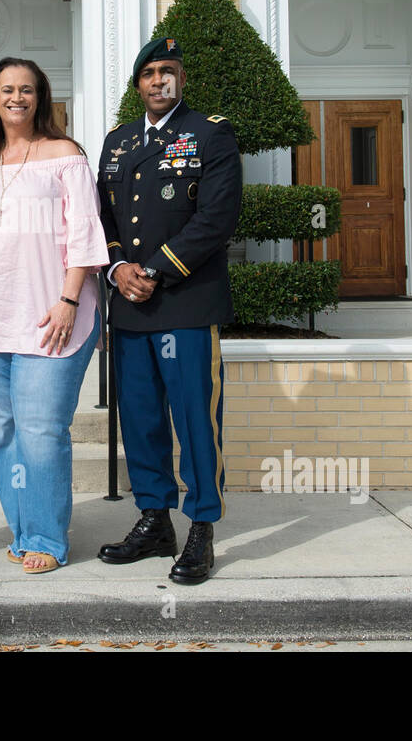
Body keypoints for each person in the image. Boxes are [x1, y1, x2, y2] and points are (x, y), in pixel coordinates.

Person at [0, 57, 108, 574]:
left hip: (50, 318)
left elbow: (85, 232)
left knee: (41, 430)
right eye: (6, 89)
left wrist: (67, 299)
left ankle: (46, 536)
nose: (16, 97)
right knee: (5, 430)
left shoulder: (65, 156)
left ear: (41, 96)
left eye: (26, 89)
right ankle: (22, 528)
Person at [95, 36, 242, 585]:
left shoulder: (210, 134)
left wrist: (153, 269)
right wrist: (116, 270)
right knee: (141, 420)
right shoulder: (118, 141)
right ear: (138, 84)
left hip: (183, 300)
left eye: (169, 71)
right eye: (150, 72)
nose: (159, 80)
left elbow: (217, 218)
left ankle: (201, 527)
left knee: (195, 420)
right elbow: (101, 219)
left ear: (182, 79)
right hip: (129, 308)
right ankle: (154, 519)